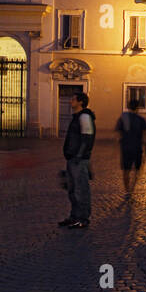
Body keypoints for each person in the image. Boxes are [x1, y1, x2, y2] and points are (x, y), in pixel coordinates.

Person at [60, 91, 96, 228]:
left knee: (81, 190)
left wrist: (79, 156)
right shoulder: (77, 117)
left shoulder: (85, 116)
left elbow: (87, 138)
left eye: (73, 99)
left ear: (80, 102)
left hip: (78, 160)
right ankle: (74, 216)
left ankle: (83, 218)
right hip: (72, 158)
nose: (70, 101)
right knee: (72, 190)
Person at [114, 102, 146, 193]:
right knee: (137, 169)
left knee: (126, 169)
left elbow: (118, 132)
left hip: (126, 147)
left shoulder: (123, 118)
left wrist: (120, 140)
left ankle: (127, 189)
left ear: (128, 107)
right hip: (137, 147)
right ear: (138, 108)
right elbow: (145, 135)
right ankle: (133, 185)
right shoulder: (141, 119)